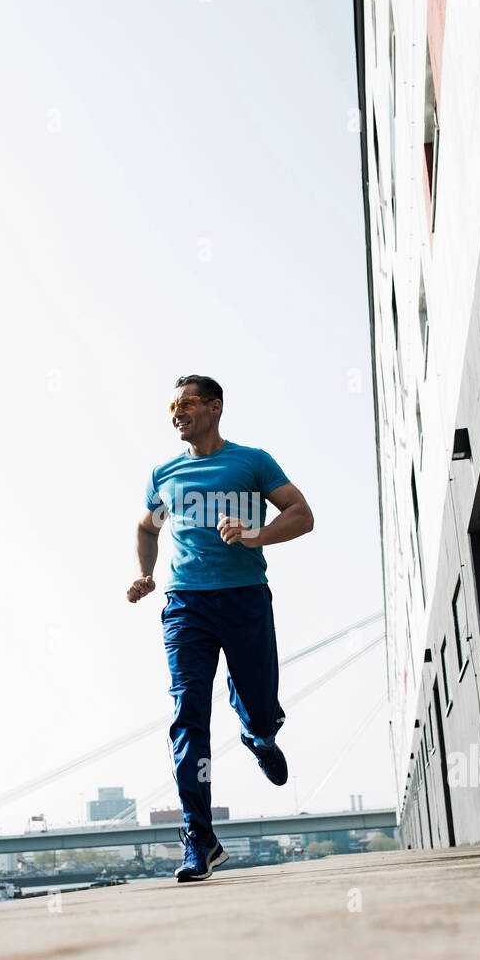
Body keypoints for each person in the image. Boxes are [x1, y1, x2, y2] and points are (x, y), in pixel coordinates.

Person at [127, 375, 314, 883]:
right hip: (185, 604)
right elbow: (148, 526)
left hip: (244, 600)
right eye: (172, 406)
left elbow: (302, 514)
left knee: (259, 701)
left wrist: (255, 537)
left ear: (214, 407)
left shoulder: (251, 461)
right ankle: (199, 837)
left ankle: (259, 733)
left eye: (186, 403)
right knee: (188, 714)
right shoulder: (164, 473)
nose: (176, 413)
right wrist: (146, 574)